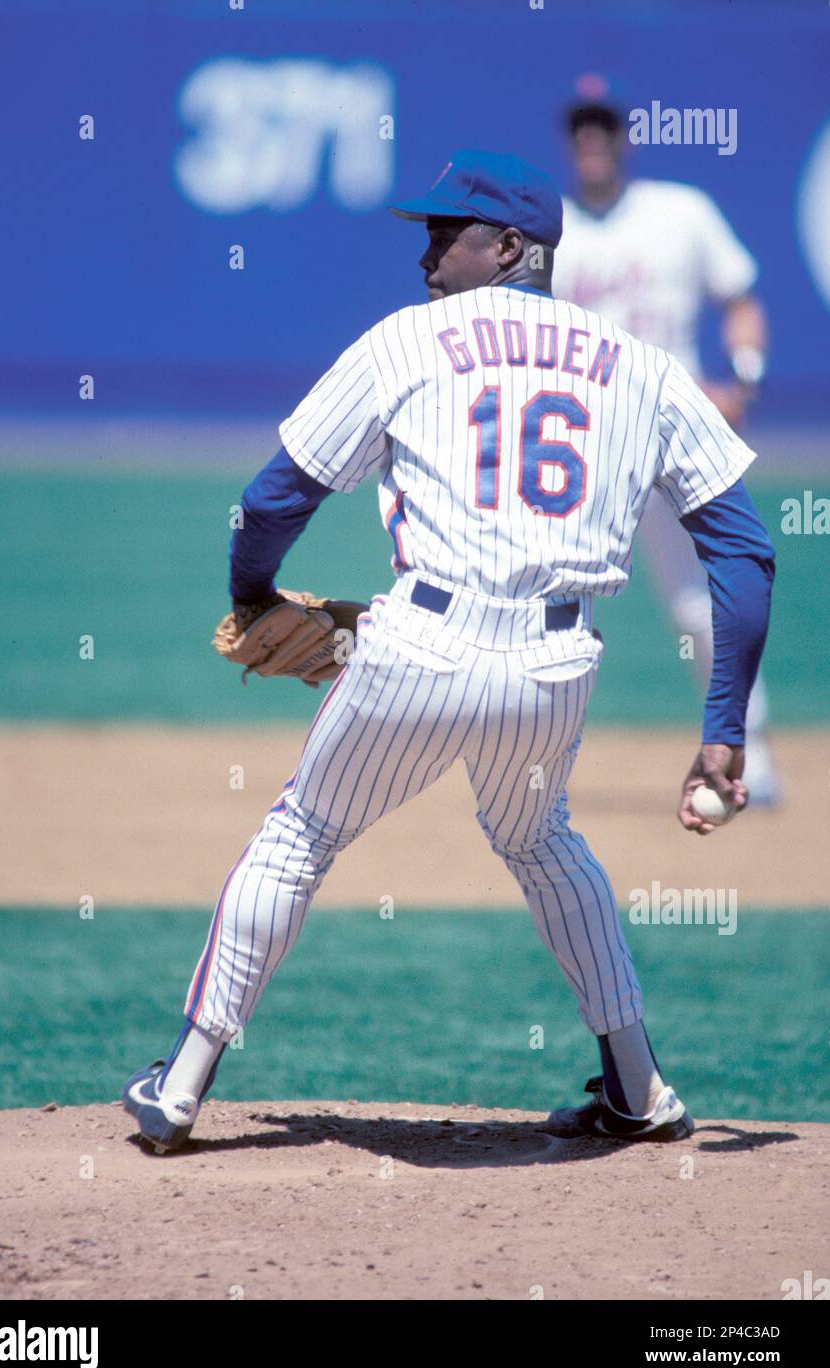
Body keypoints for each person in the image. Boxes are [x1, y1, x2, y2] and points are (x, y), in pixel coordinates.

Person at [122, 150, 774, 1152]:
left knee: (301, 834)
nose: (426, 254)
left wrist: (251, 593)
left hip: (420, 645)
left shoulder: (405, 343)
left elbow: (273, 497)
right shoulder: (638, 364)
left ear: (511, 248)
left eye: (446, 234)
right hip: (555, 669)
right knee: (544, 841)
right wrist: (723, 729)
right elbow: (742, 546)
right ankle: (639, 1090)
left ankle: (180, 1083)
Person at [553, 74, 781, 804]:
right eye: (581, 127)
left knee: (699, 601)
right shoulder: (548, 227)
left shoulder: (679, 213)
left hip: (672, 432)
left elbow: (739, 296)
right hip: (582, 442)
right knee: (546, 596)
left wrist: (740, 379)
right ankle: (520, 757)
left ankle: (747, 750)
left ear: (621, 136)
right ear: (571, 139)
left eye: (604, 125)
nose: (593, 139)